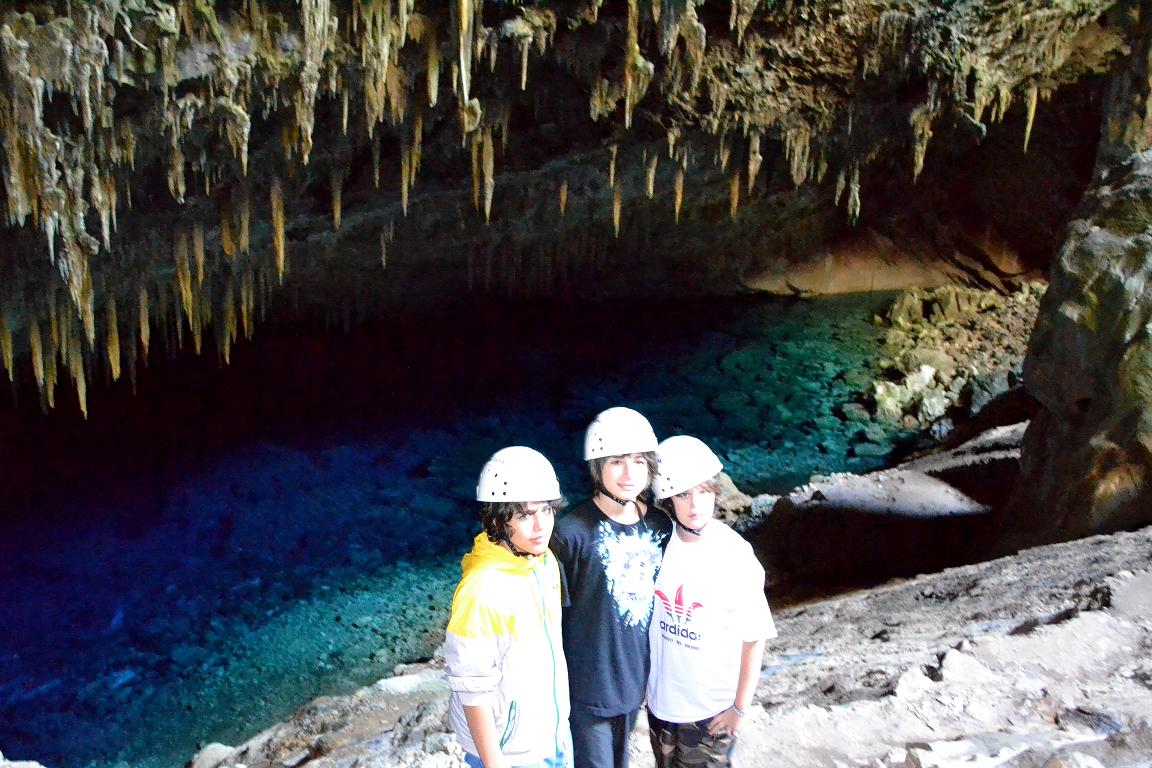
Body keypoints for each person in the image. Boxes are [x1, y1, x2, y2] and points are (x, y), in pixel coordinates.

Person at [550, 407, 674, 768]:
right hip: (586, 688)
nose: (629, 473)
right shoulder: (571, 532)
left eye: (638, 461)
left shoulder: (659, 526)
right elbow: (549, 613)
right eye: (616, 461)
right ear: (597, 467)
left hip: (634, 683)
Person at [646, 435, 776, 768]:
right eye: (684, 495)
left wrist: (739, 708)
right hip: (661, 707)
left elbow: (754, 637)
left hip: (709, 712)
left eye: (704, 491)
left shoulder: (734, 554)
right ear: (667, 501)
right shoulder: (656, 547)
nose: (695, 505)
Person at [444, 446, 572, 768]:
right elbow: (472, 688)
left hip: (552, 736)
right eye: (525, 515)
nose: (541, 526)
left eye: (546, 510)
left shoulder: (543, 563)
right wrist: (494, 761)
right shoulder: (480, 591)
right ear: (499, 520)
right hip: (509, 753)